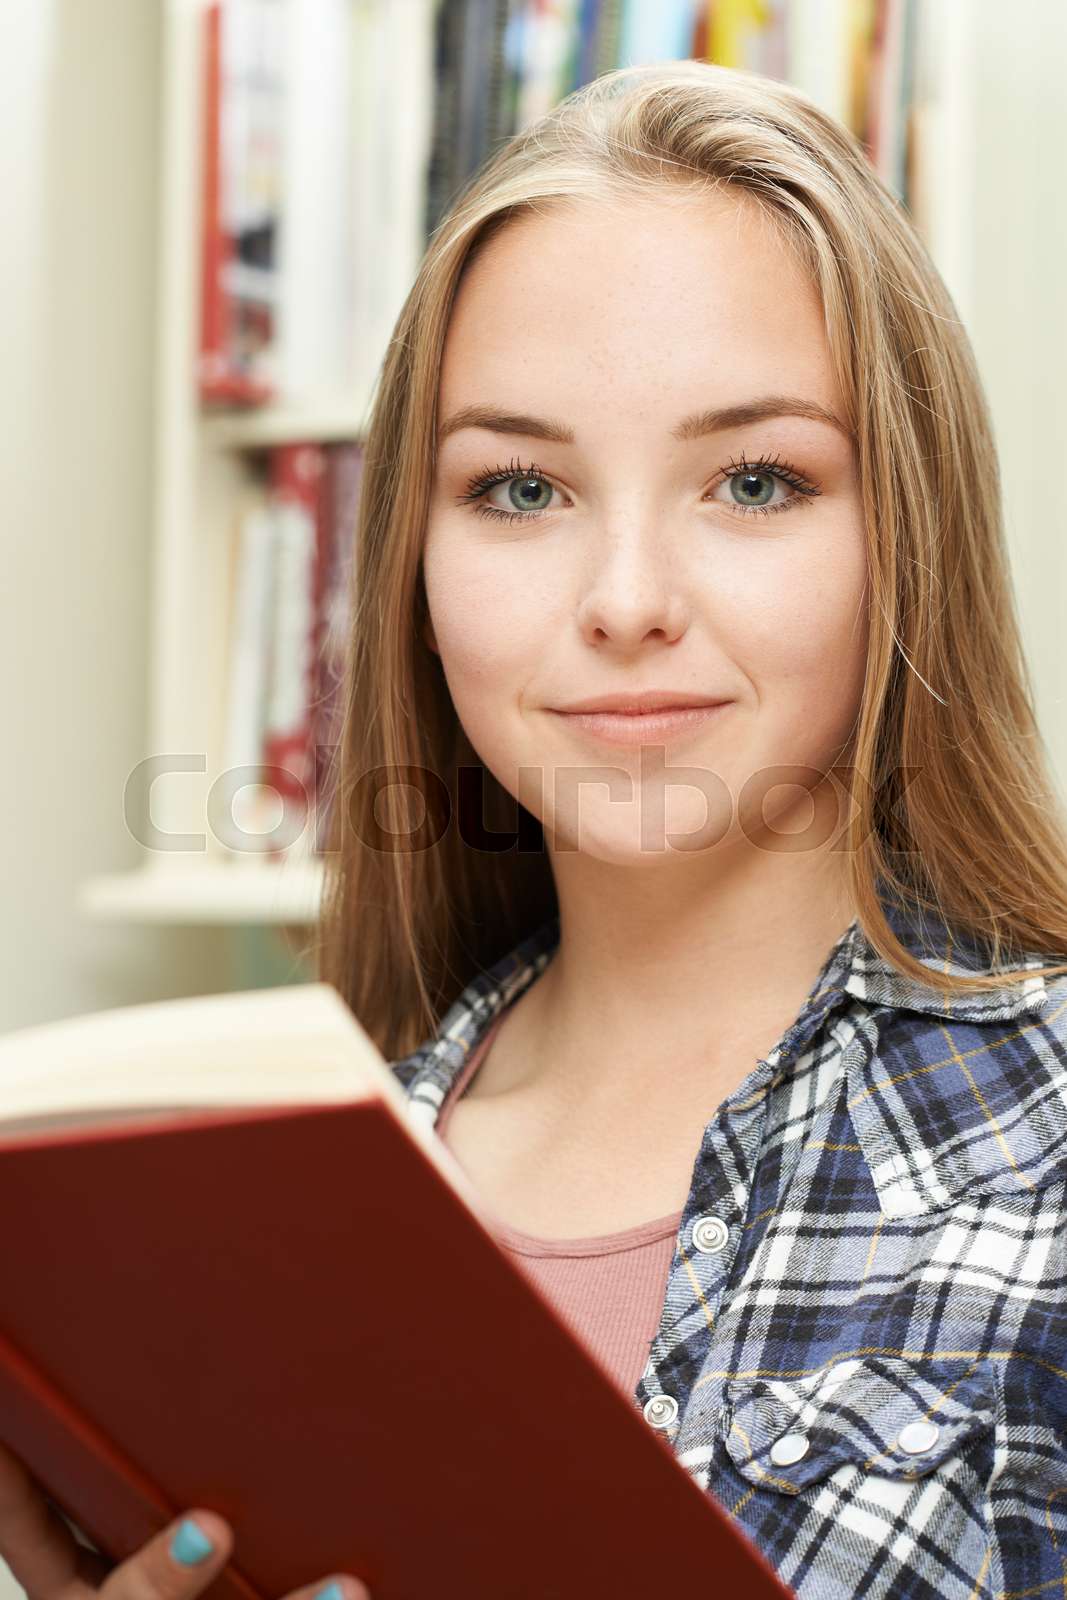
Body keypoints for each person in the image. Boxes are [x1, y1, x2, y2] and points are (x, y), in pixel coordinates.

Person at [2, 56, 1066, 1600]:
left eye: (756, 479)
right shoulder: (286, 1198)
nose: (626, 602)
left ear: (908, 532)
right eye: (518, 490)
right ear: (414, 564)